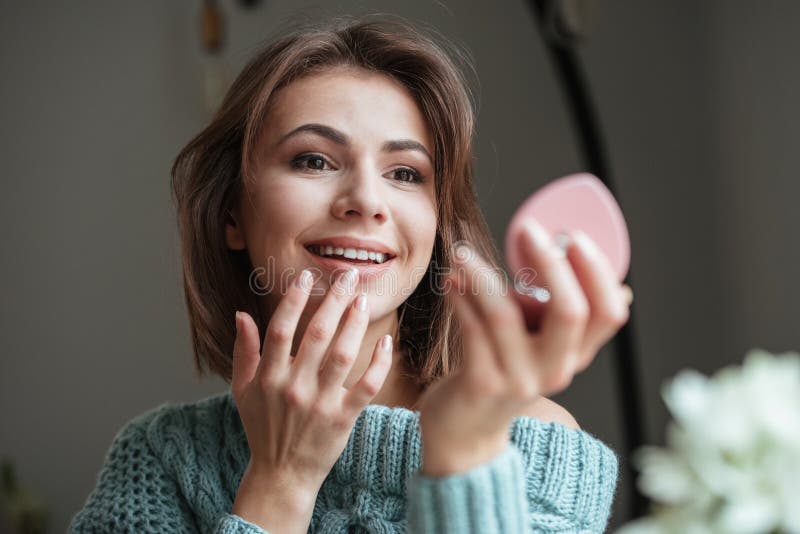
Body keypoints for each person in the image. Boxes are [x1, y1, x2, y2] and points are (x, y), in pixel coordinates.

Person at [70, 13, 630, 533]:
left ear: (439, 222)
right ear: (231, 214)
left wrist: (464, 451)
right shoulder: (162, 457)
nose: (365, 199)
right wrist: (279, 482)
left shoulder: (529, 441)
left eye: (406, 173)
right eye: (313, 160)